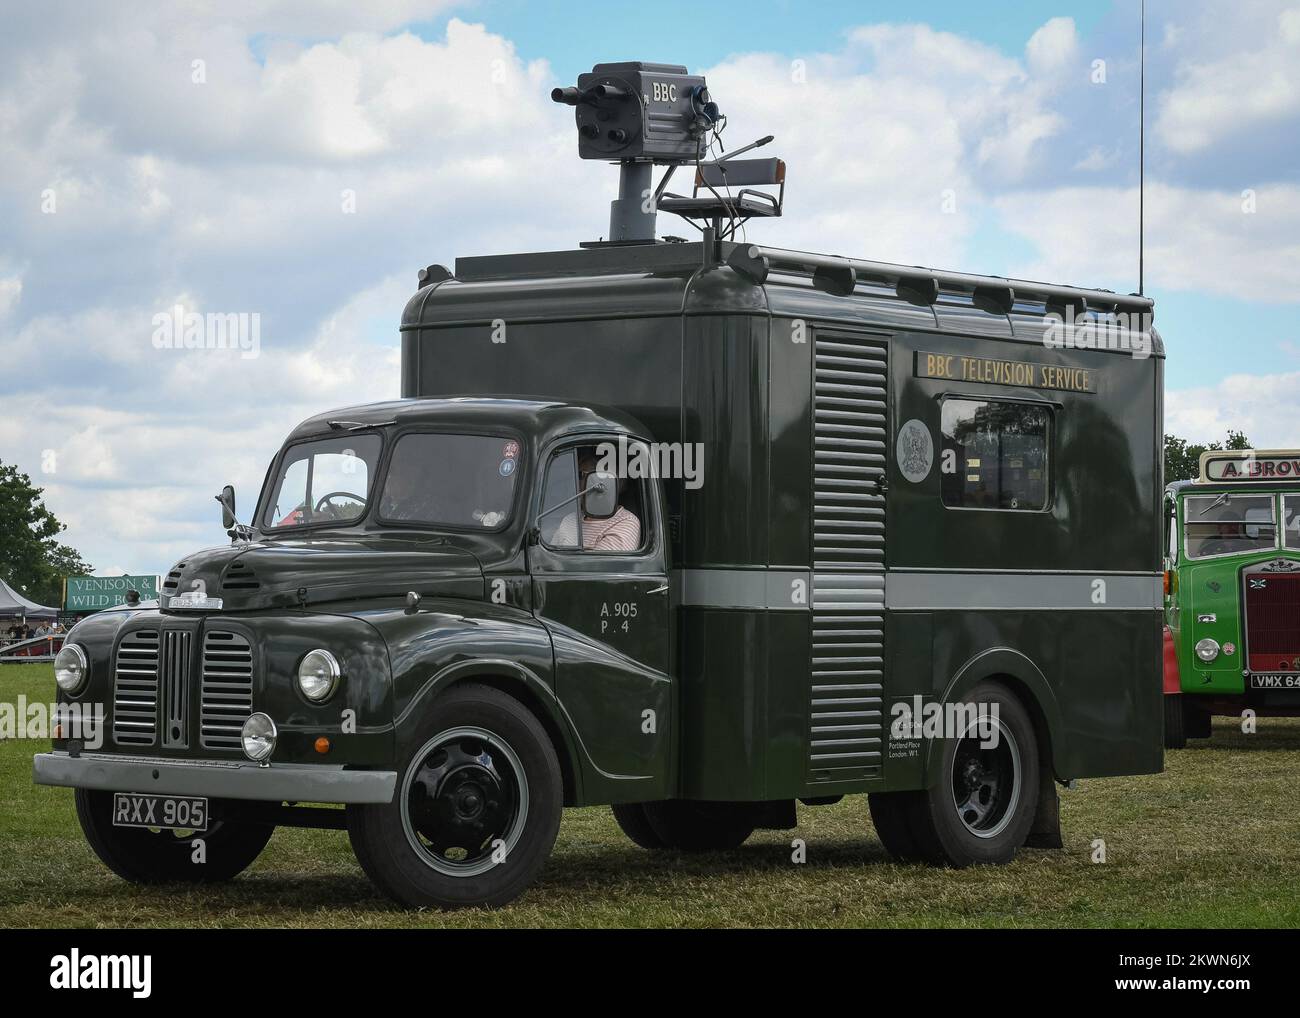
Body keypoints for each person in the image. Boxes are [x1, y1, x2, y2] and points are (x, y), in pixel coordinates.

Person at [551, 452, 641, 552]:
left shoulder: (626, 522)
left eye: (580, 475)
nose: (575, 481)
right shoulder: (570, 519)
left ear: (603, 483)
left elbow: (598, 566)